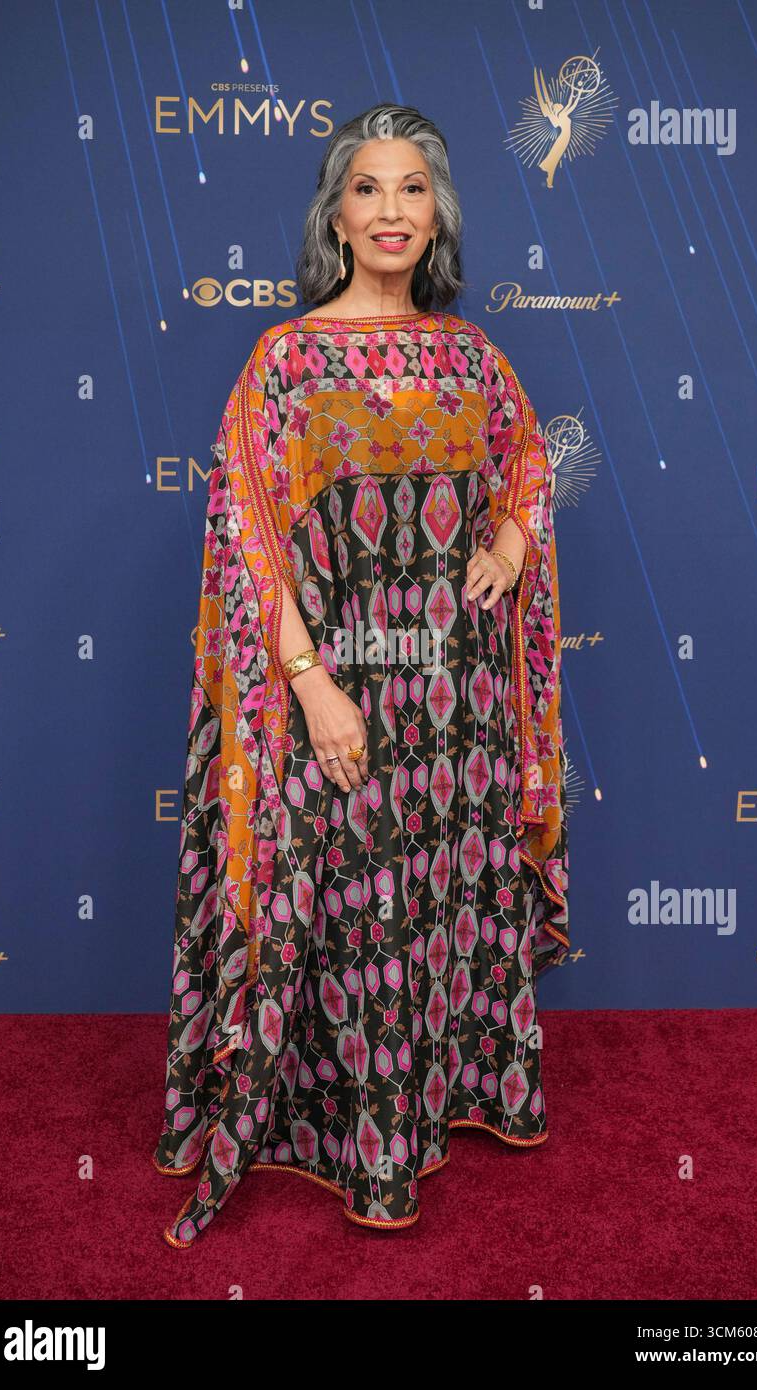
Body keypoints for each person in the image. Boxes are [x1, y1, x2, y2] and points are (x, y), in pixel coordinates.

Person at [153, 102, 569, 1247]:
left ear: (436, 217)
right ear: (334, 216)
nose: (391, 210)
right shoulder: (284, 361)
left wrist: (507, 546)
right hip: (340, 695)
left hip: (461, 698)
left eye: (412, 189)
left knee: (443, 898)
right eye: (368, 189)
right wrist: (310, 682)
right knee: (348, 919)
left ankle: (455, 1097)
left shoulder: (471, 356)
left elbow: (530, 467)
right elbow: (248, 532)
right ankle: (357, 1143)